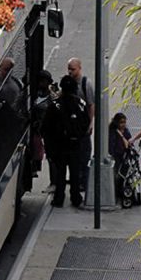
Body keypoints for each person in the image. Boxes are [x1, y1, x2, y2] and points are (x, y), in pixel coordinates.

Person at [42, 75, 88, 208]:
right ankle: (76, 198)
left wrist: (50, 145)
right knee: (75, 173)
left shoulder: (55, 104)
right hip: (75, 145)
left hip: (59, 145)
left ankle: (59, 198)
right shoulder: (80, 103)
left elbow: (46, 127)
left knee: (60, 174)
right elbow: (85, 122)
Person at [67, 58, 95, 192]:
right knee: (73, 156)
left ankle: (84, 181)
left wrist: (90, 123)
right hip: (71, 125)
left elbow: (91, 105)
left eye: (73, 69)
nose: (70, 72)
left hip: (82, 125)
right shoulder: (68, 83)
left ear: (79, 68)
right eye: (69, 69)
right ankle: (75, 180)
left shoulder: (86, 84)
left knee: (84, 155)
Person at [30, 70, 56, 182]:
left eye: (44, 81)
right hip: (35, 129)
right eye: (40, 81)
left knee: (51, 156)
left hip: (48, 130)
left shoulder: (52, 98)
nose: (41, 83)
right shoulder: (33, 95)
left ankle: (54, 181)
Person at [108, 112, 131, 207]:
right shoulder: (113, 131)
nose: (123, 124)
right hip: (116, 155)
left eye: (125, 122)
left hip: (124, 155)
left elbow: (129, 141)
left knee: (123, 175)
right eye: (121, 122)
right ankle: (115, 193)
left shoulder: (125, 131)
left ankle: (120, 191)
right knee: (116, 174)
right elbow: (111, 145)